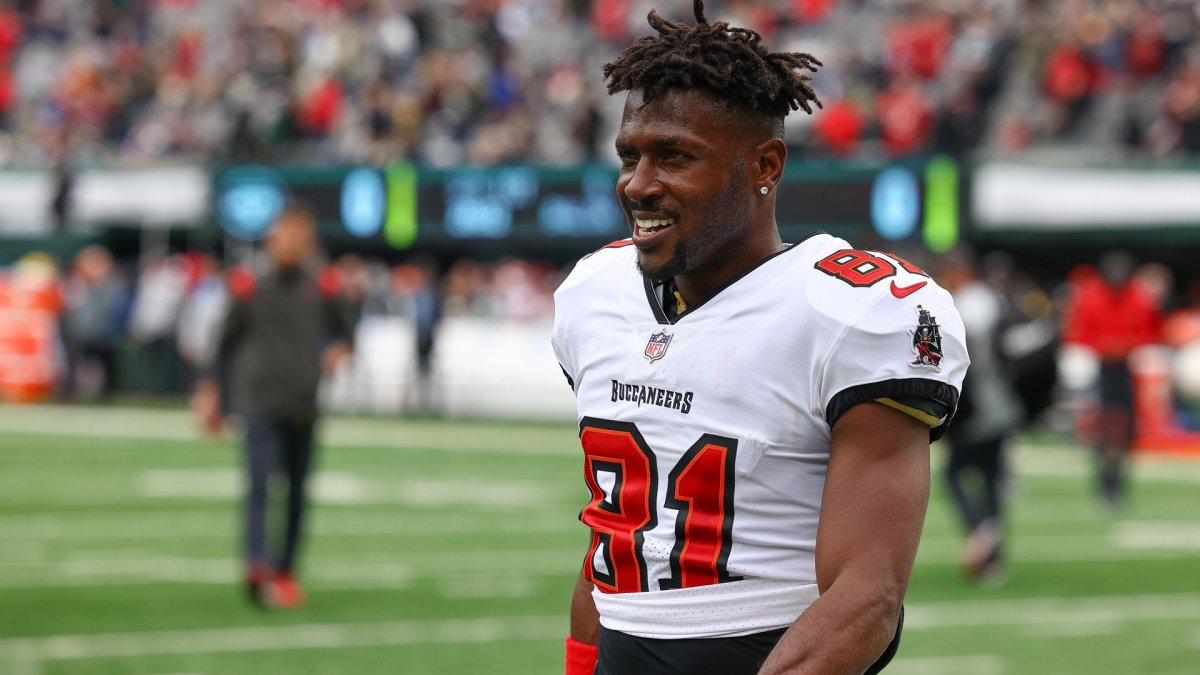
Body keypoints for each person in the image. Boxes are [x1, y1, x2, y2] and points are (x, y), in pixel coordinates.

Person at [551, 3, 968, 674]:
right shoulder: (595, 292)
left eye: (674, 156)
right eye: (630, 155)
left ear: (764, 164)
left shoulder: (851, 312)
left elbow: (869, 595)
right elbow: (616, 539)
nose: (638, 184)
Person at [191, 200, 354, 609]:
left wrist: (339, 350)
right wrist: (210, 390)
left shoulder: (322, 286)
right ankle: (257, 564)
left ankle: (285, 570)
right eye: (285, 233)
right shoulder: (251, 285)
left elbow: (347, 331)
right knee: (259, 484)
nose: (292, 243)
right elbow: (224, 342)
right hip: (259, 399)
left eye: (300, 234)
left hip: (303, 401)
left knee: (297, 491)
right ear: (271, 238)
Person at [936, 250, 1023, 584]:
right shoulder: (994, 300)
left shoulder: (965, 304)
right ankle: (993, 560)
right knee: (990, 478)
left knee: (955, 474)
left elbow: (963, 360)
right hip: (1002, 402)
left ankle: (980, 528)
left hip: (978, 406)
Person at [1063, 250, 1160, 509]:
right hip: (1100, 369)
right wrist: (1106, 346)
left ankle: (1119, 483)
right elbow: (1079, 331)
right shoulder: (1090, 295)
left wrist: (1123, 346)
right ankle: (1104, 483)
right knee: (1101, 428)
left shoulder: (1138, 296)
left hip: (1126, 369)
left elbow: (1148, 332)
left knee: (1127, 429)